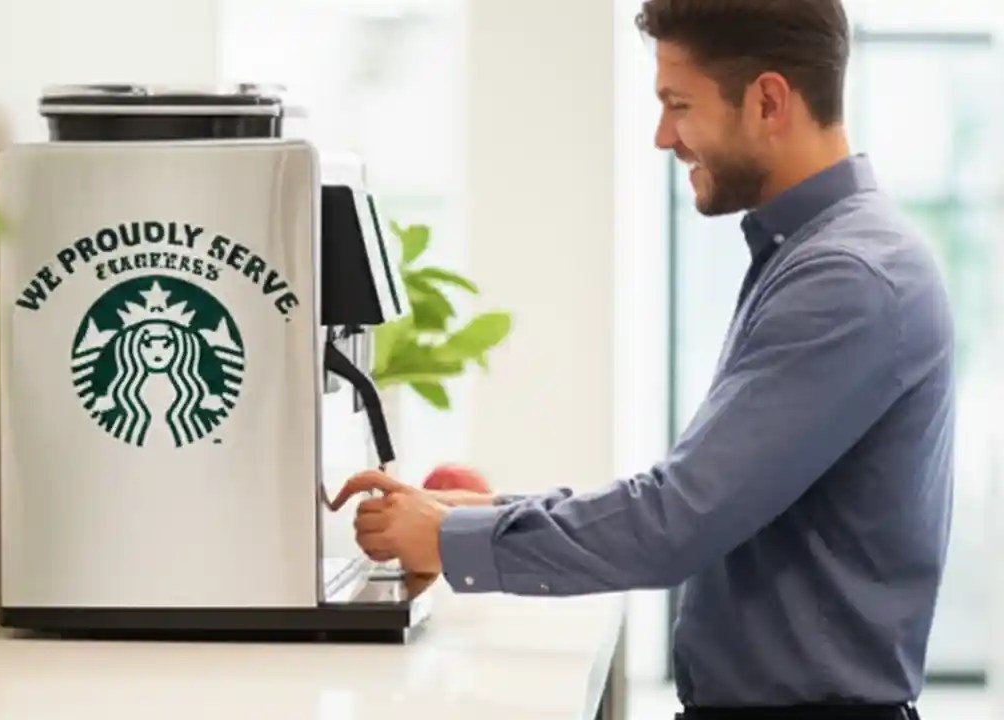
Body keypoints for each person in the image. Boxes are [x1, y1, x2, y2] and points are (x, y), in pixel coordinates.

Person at [330, 1, 955, 718]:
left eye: (678, 104)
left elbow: (675, 521)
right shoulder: (823, 257)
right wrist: (489, 513)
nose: (664, 136)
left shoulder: (848, 279)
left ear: (769, 101)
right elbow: (697, 495)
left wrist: (451, 538)